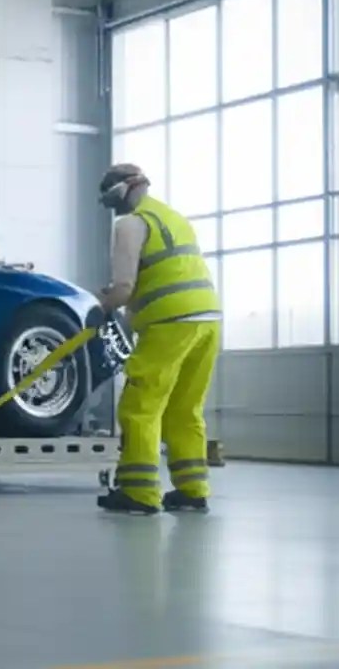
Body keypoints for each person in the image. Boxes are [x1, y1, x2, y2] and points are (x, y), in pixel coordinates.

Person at [93, 163, 221, 516]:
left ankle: (139, 493)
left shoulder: (131, 224)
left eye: (109, 200)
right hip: (207, 320)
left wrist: (98, 304)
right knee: (185, 409)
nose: (111, 209)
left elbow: (123, 288)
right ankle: (193, 491)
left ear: (122, 191)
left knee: (141, 406)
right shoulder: (174, 217)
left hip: (170, 323)